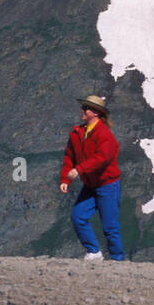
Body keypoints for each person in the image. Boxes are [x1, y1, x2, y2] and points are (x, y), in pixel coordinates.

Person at [59, 94, 124, 261]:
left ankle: (118, 260)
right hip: (90, 185)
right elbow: (69, 157)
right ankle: (94, 251)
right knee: (78, 216)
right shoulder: (77, 132)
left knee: (110, 226)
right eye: (83, 107)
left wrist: (79, 170)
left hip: (107, 185)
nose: (83, 110)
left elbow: (103, 158)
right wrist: (65, 179)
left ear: (96, 113)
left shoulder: (105, 135)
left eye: (86, 108)